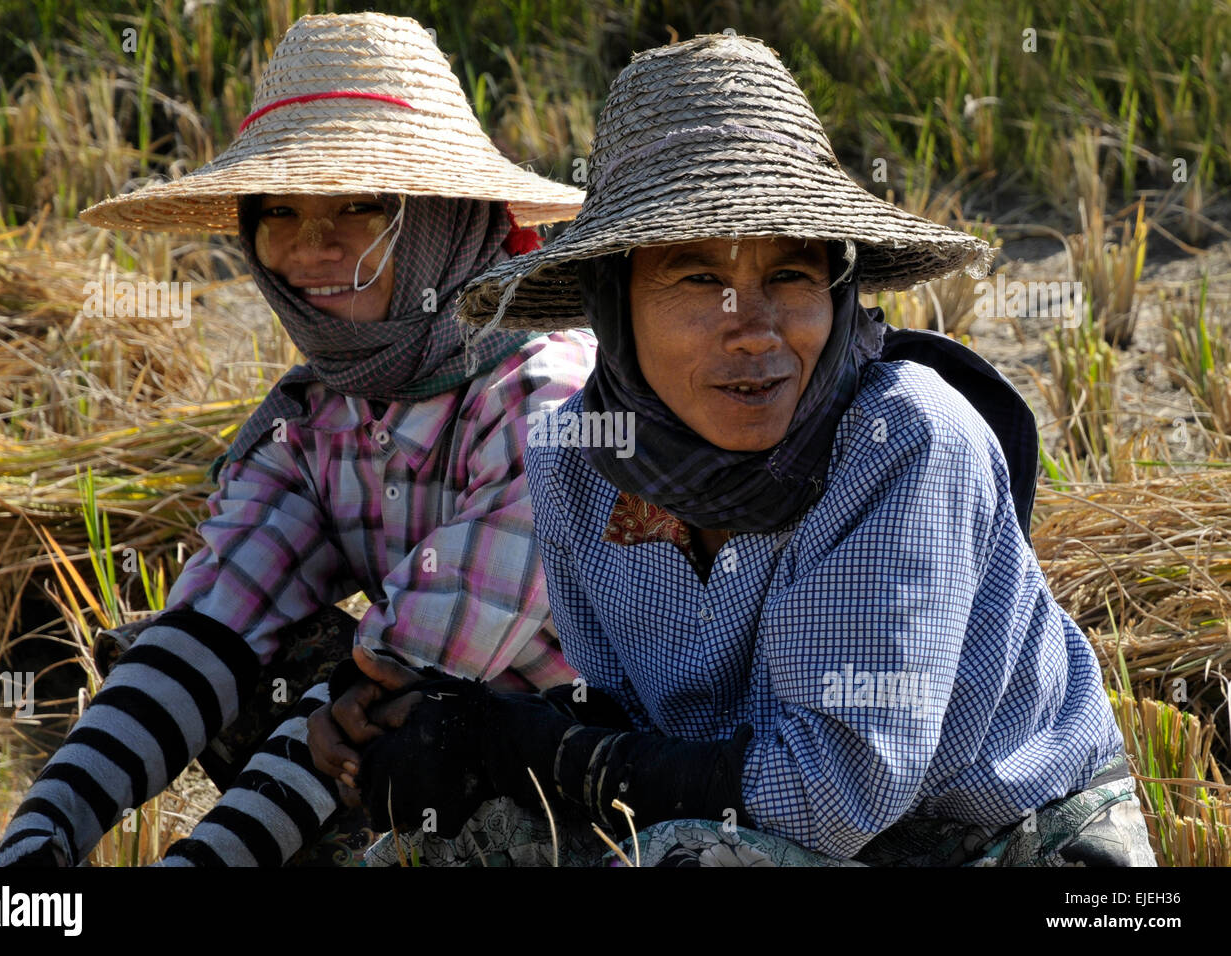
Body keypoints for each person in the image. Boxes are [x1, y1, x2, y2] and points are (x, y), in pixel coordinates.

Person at [322, 33, 1155, 867]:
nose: (754, 331)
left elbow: (831, 793)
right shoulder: (577, 457)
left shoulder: (901, 439)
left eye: (792, 277)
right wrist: (467, 728)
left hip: (1005, 847)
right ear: (615, 305)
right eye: (695, 280)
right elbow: (644, 730)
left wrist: (531, 747)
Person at [0, 11, 594, 868]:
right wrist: (33, 847)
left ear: (445, 221)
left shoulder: (549, 406)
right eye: (279, 211)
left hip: (589, 776)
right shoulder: (318, 413)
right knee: (182, 657)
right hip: (414, 726)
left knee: (386, 710)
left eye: (360, 204)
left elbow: (385, 689)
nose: (314, 245)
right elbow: (217, 618)